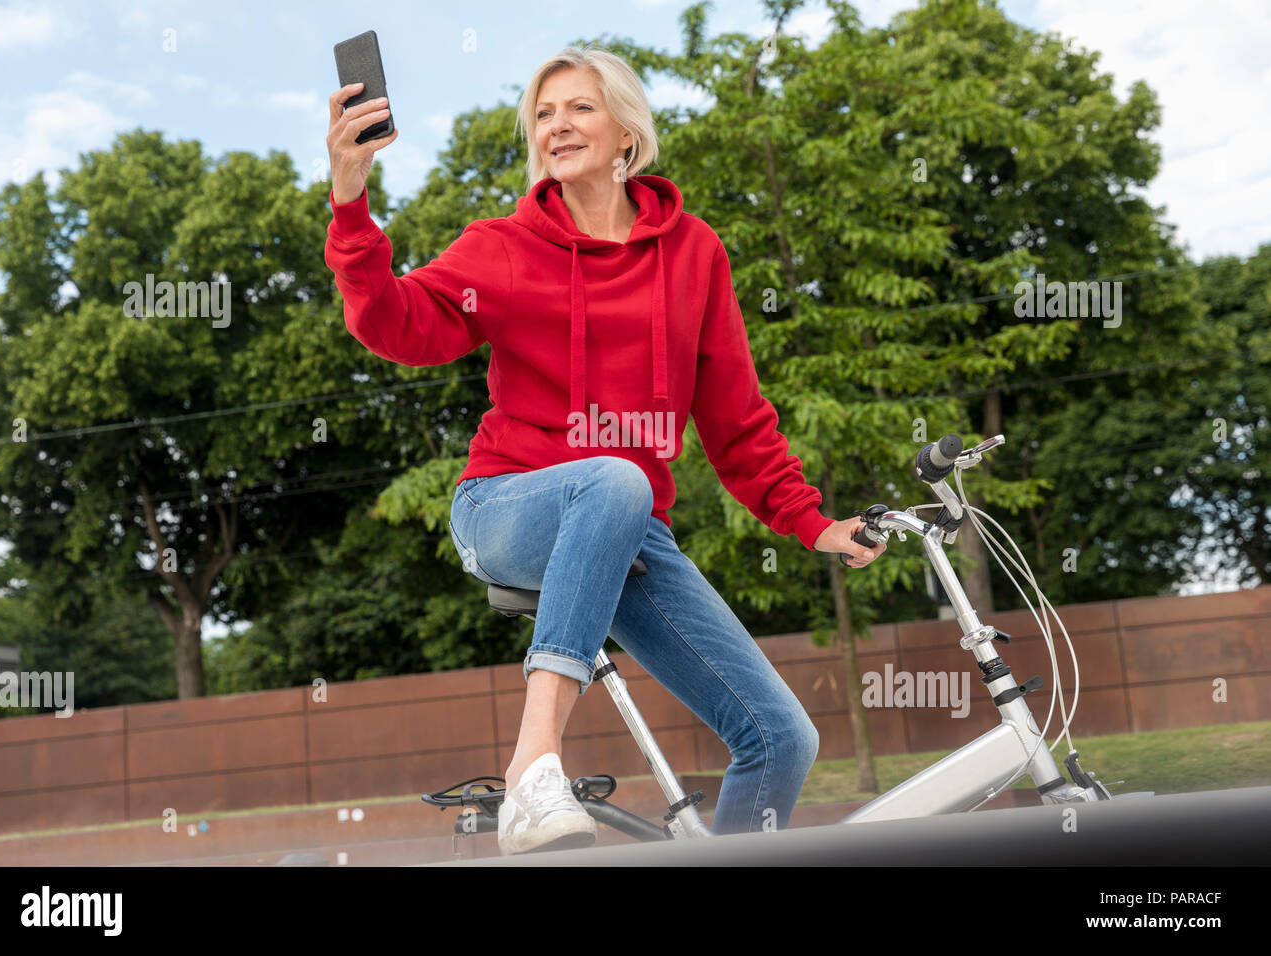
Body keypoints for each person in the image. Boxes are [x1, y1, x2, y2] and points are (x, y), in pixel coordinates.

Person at [324, 45, 885, 855]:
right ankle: (534, 764)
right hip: (503, 506)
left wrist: (812, 521)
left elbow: (735, 417)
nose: (557, 125)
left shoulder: (693, 253)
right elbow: (393, 324)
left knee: (781, 739)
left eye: (580, 107)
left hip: (626, 526)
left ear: (627, 131)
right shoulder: (503, 247)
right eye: (543, 114)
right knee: (618, 481)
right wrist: (350, 198)